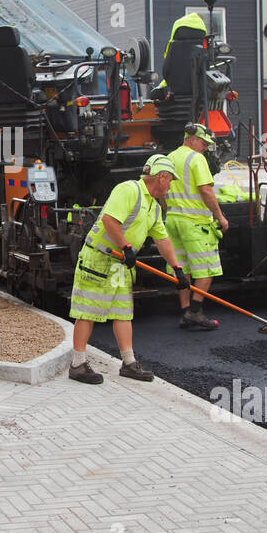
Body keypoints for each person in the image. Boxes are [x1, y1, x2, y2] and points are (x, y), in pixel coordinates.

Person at [68, 154, 190, 384]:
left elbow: (163, 240)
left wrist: (177, 269)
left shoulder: (153, 206)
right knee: (88, 310)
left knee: (122, 313)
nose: (171, 184)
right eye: (171, 179)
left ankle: (129, 363)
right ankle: (77, 364)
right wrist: (126, 247)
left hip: (120, 263)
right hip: (99, 259)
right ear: (161, 177)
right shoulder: (129, 190)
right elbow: (110, 221)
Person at [165, 123, 230, 329]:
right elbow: (206, 190)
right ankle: (195, 311)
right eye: (203, 142)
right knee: (207, 269)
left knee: (181, 269)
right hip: (195, 224)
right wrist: (220, 217)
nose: (205, 147)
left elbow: (161, 190)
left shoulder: (170, 158)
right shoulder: (196, 159)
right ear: (191, 139)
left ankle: (185, 311)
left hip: (174, 221)